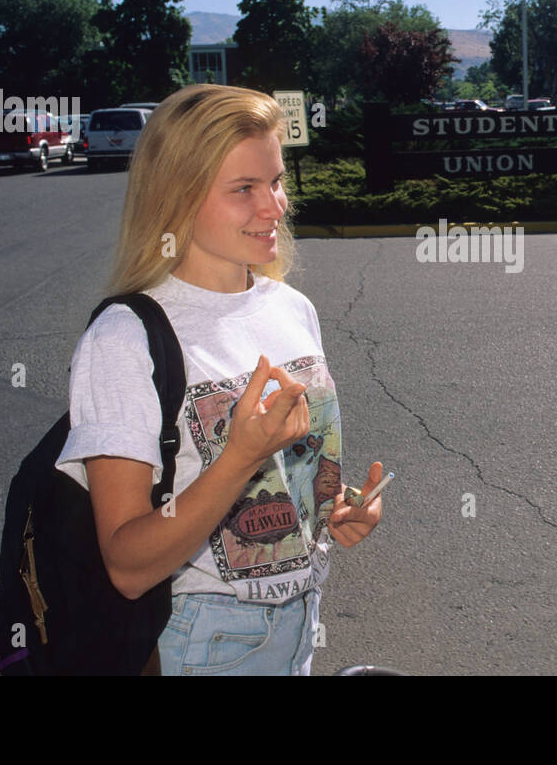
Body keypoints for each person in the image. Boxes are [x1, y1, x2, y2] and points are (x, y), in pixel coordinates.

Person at [56, 84, 383, 675]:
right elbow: (127, 567)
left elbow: (293, 478)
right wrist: (237, 460)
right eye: (244, 190)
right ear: (176, 198)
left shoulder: (292, 307)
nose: (275, 207)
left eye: (277, 181)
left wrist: (339, 507)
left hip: (301, 623)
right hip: (203, 641)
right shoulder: (124, 338)